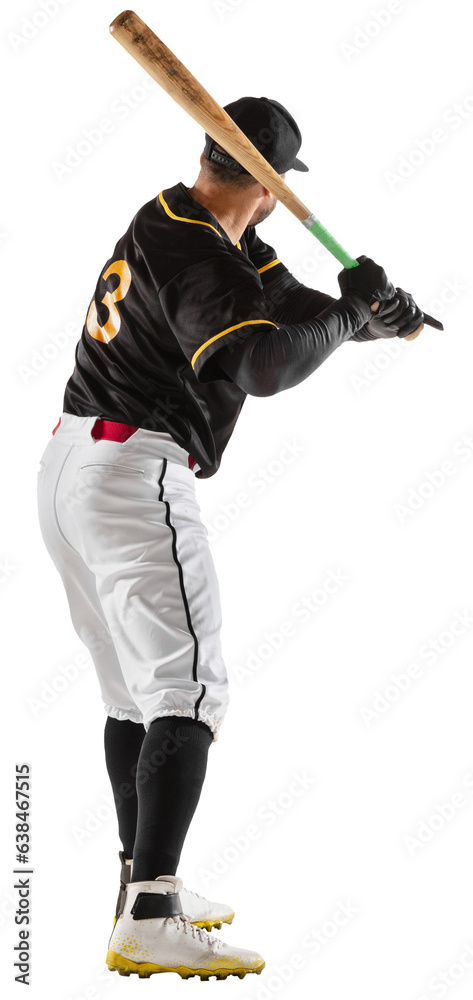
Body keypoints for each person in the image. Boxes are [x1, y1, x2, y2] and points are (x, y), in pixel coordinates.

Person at [36, 96, 424, 981]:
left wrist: (377, 314)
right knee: (191, 693)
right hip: (133, 480)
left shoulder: (185, 220)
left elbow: (289, 311)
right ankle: (150, 917)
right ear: (269, 182)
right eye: (281, 184)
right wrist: (343, 316)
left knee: (137, 698)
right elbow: (265, 364)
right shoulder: (194, 250)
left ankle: (145, 890)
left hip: (72, 470)